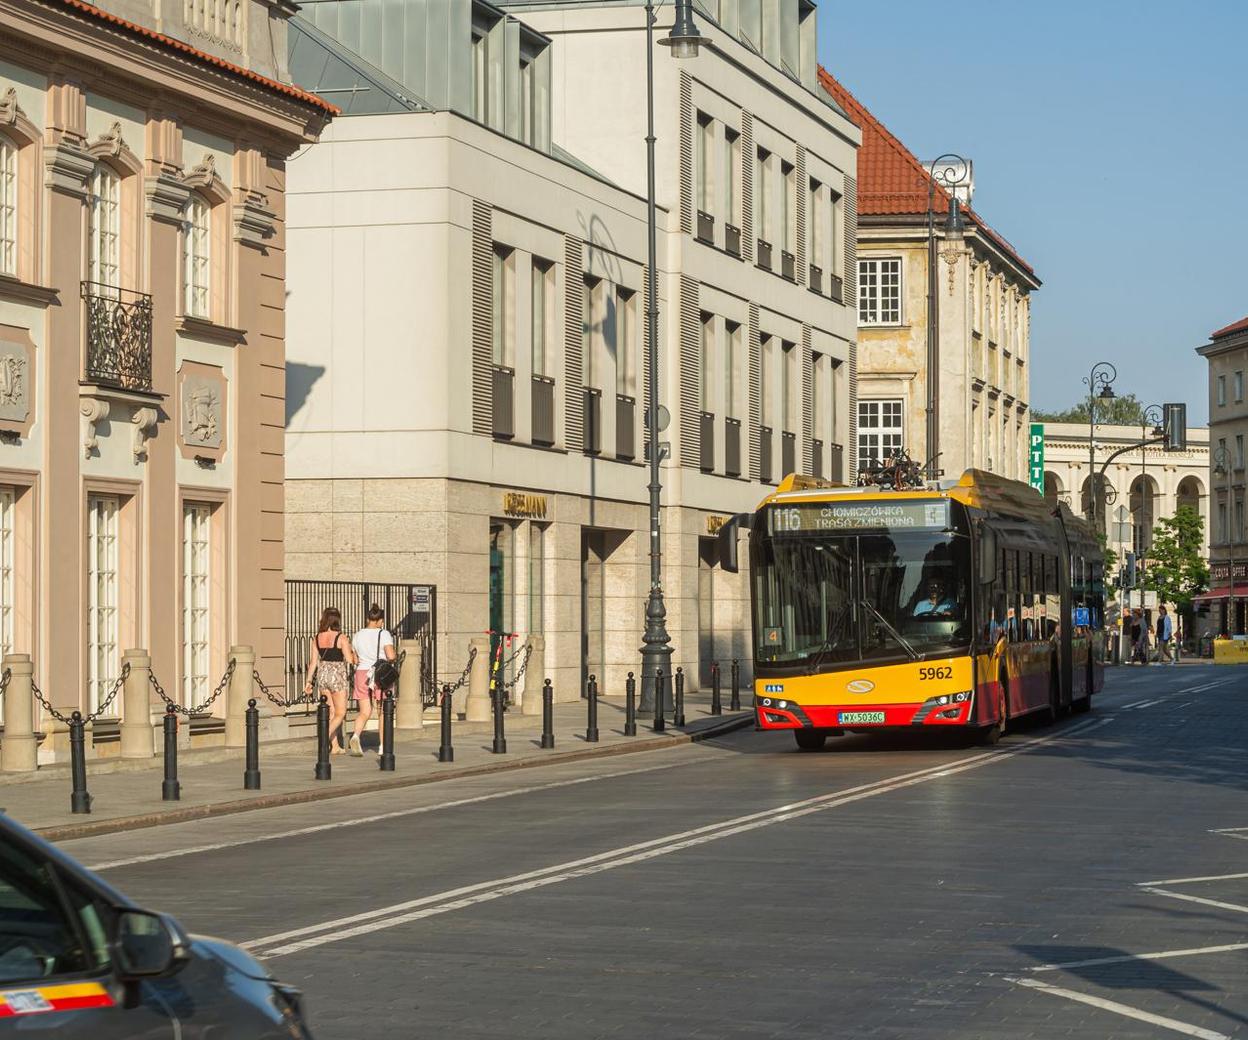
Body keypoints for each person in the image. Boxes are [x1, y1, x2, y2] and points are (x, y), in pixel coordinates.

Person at [304, 607, 356, 754]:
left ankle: (335, 747)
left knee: (331, 712)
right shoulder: (341, 637)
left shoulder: (317, 638)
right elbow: (350, 660)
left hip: (322, 674)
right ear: (337, 620)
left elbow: (313, 662)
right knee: (340, 713)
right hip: (337, 675)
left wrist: (308, 682)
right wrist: (354, 652)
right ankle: (324, 738)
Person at [349, 604, 397, 756]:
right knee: (383, 711)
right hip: (379, 674)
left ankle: (356, 735)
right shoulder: (384, 634)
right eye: (382, 621)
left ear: (367, 619)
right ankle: (383, 746)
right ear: (380, 620)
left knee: (365, 711)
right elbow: (390, 656)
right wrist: (395, 657)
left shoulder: (357, 635)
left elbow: (355, 659)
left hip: (362, 673)